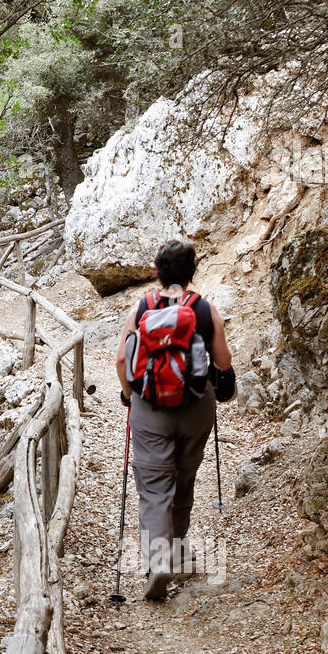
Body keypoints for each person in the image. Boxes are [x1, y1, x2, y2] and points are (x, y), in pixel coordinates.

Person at [115, 240, 235, 600]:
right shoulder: (203, 309)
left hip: (150, 409)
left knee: (153, 489)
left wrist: (128, 395)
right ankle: (178, 552)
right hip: (196, 408)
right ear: (192, 271)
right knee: (183, 481)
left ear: (157, 271)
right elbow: (224, 362)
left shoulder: (143, 308)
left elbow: (122, 359)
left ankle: (158, 562)